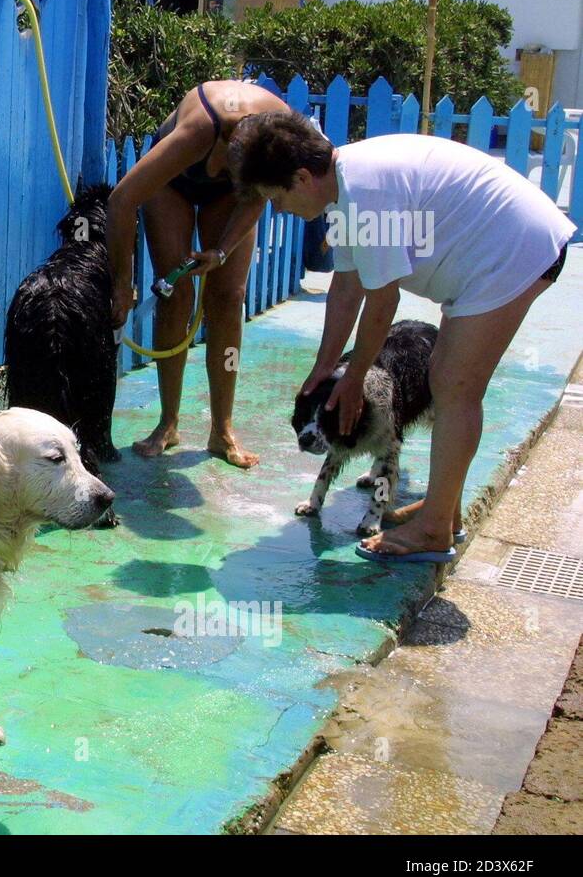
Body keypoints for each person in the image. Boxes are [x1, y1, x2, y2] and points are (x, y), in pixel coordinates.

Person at [228, 112, 575, 563]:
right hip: (493, 254)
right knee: (449, 378)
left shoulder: (365, 192)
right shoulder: (344, 187)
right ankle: (442, 511)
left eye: (275, 197)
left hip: (513, 251)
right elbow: (347, 286)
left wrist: (354, 378)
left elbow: (383, 300)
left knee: (455, 385)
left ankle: (434, 530)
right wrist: (323, 367)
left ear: (301, 177)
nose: (278, 209)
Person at [108, 80, 290, 468]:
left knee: (228, 299)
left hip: (233, 195)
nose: (214, 171)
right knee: (175, 295)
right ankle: (168, 422)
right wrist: (122, 283)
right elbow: (122, 200)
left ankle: (222, 428)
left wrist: (222, 251)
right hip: (173, 184)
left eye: (225, 171)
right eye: (220, 164)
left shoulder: (278, 139)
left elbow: (258, 195)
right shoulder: (200, 129)